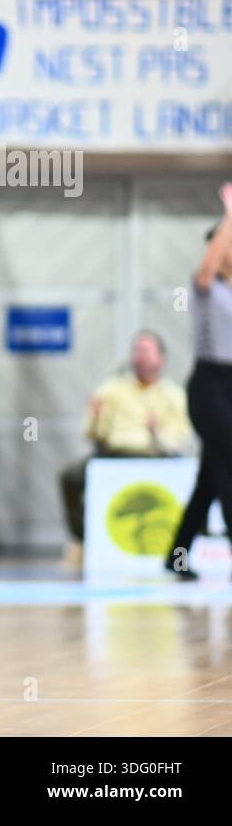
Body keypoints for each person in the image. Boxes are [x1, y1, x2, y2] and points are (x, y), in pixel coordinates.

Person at [60, 331, 190, 554]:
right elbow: (92, 434)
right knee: (70, 476)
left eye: (146, 351)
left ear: (160, 358)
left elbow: (177, 440)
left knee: (200, 480)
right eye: (136, 351)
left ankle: (185, 543)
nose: (139, 357)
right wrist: (96, 417)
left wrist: (156, 431)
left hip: (154, 456)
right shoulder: (112, 388)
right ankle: (83, 540)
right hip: (114, 455)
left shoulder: (173, 394)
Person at [168, 184, 232, 578]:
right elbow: (209, 265)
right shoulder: (206, 287)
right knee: (229, 466)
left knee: (210, 476)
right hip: (210, 387)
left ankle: (176, 553)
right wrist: (229, 215)